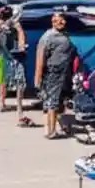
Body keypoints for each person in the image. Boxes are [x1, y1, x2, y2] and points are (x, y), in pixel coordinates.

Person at [35, 12, 76, 140]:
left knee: (56, 101)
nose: (61, 22)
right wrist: (38, 76)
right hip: (53, 72)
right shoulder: (48, 36)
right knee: (52, 101)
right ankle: (51, 131)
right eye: (58, 20)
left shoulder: (65, 35)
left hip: (63, 73)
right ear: (53, 21)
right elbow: (40, 57)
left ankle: (53, 127)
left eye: (63, 20)